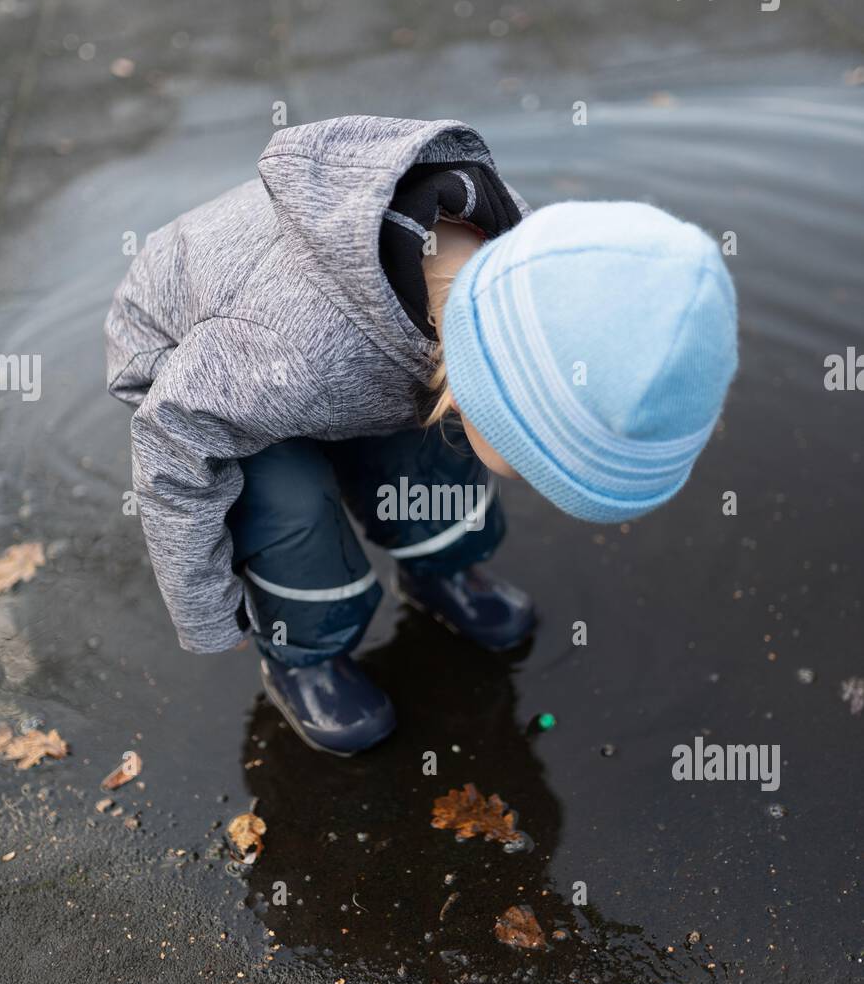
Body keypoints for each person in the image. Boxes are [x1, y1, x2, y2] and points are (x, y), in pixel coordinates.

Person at [105, 115, 737, 755]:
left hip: (361, 360)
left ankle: (442, 568)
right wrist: (207, 609)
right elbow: (172, 446)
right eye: (527, 462)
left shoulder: (532, 270)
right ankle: (306, 653)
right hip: (205, 377)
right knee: (292, 508)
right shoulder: (288, 350)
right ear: (485, 390)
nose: (531, 479)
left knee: (430, 456)